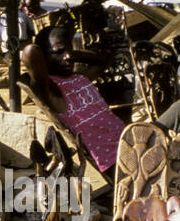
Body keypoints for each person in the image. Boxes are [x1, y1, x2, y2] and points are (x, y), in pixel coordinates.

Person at [20, 24, 124, 172]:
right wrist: (51, 53)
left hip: (130, 140)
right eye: (59, 52)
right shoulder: (53, 90)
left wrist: (73, 54)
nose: (68, 57)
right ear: (44, 57)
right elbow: (30, 52)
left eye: (69, 50)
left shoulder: (81, 78)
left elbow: (104, 60)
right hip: (116, 159)